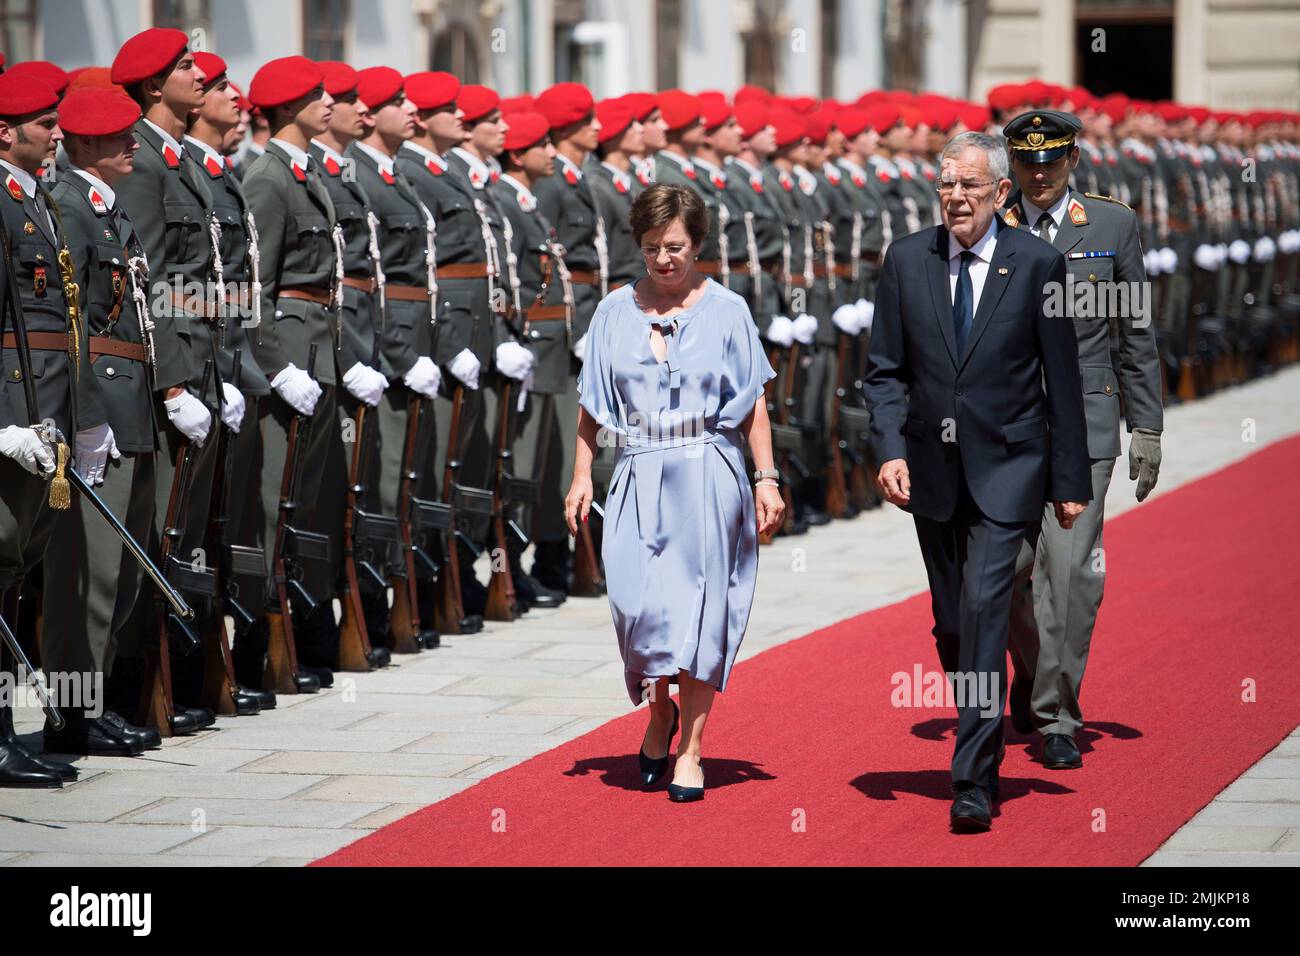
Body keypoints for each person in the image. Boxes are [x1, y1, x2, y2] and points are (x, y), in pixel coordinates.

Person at [864, 130, 1092, 832]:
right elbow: (884, 372)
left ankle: (973, 777)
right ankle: (1001, 693)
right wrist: (889, 448)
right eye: (946, 186)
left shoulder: (1037, 264)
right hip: (931, 472)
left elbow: (1062, 378)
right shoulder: (907, 261)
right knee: (953, 624)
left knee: (988, 608)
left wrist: (1068, 478)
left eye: (969, 186)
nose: (955, 198)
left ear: (1000, 193)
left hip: (1010, 468)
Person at [565, 184, 783, 802]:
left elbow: (754, 402)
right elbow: (591, 406)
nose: (665, 260)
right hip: (637, 468)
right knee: (638, 609)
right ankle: (658, 708)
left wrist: (766, 478)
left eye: (677, 247)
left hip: (710, 471)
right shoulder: (612, 311)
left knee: (701, 613)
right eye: (653, 248)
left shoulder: (729, 310)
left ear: (699, 245)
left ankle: (692, 748)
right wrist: (583, 475)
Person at [1000, 109, 1163, 770]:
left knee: (1068, 572)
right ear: (1013, 163)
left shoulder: (1113, 225)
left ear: (1072, 160)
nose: (1039, 175)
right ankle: (1037, 672)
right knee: (1006, 573)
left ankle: (1058, 714)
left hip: (1088, 426)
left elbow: (1137, 334)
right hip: (1006, 429)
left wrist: (1146, 425)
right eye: (1027, 164)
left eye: (1051, 162)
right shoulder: (989, 222)